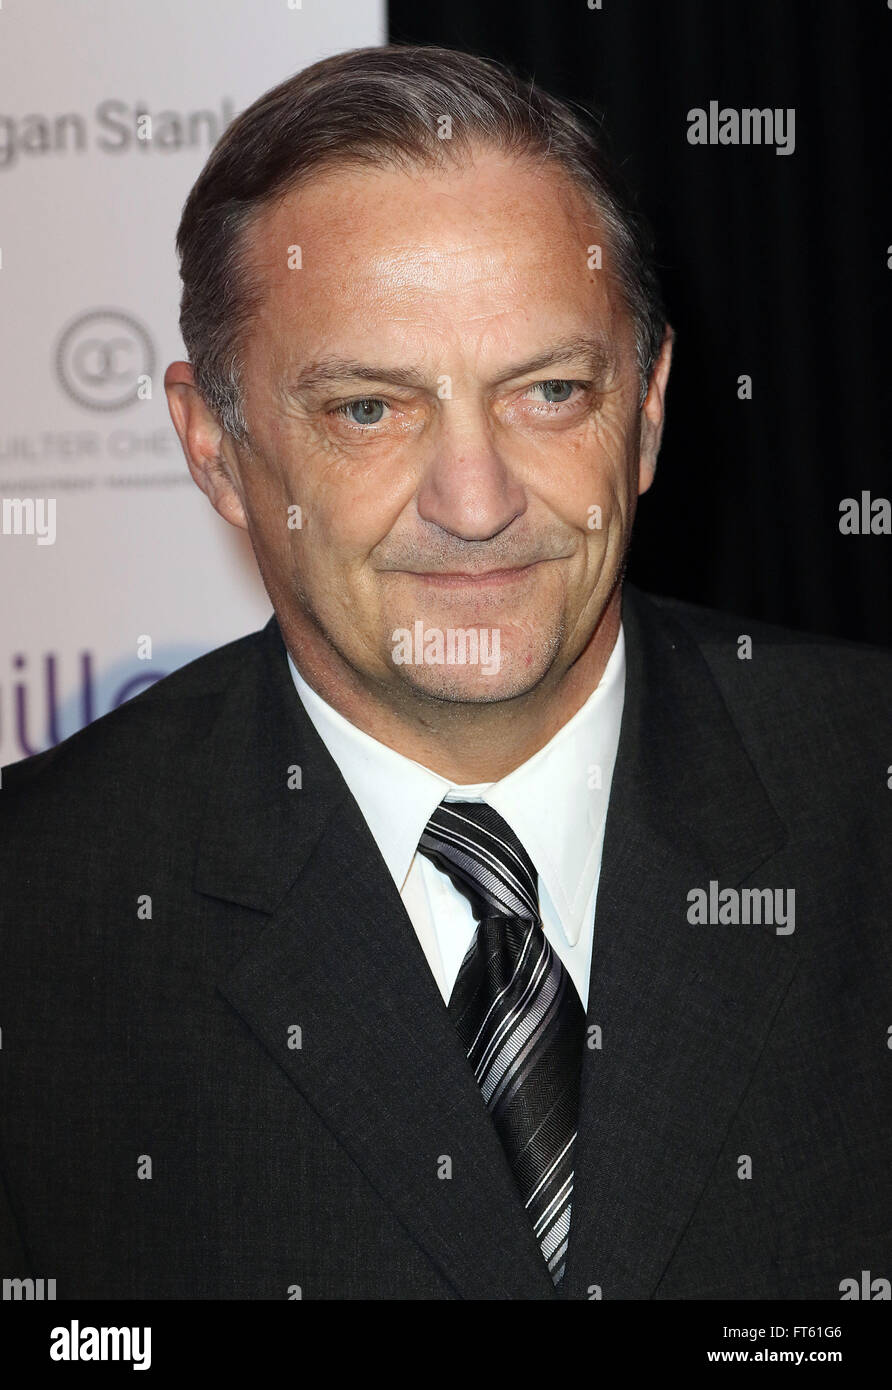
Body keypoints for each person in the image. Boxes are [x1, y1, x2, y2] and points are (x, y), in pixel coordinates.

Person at [1, 44, 889, 1302]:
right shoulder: (38, 913)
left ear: (644, 412)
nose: (475, 503)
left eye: (549, 391)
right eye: (369, 408)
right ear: (212, 446)